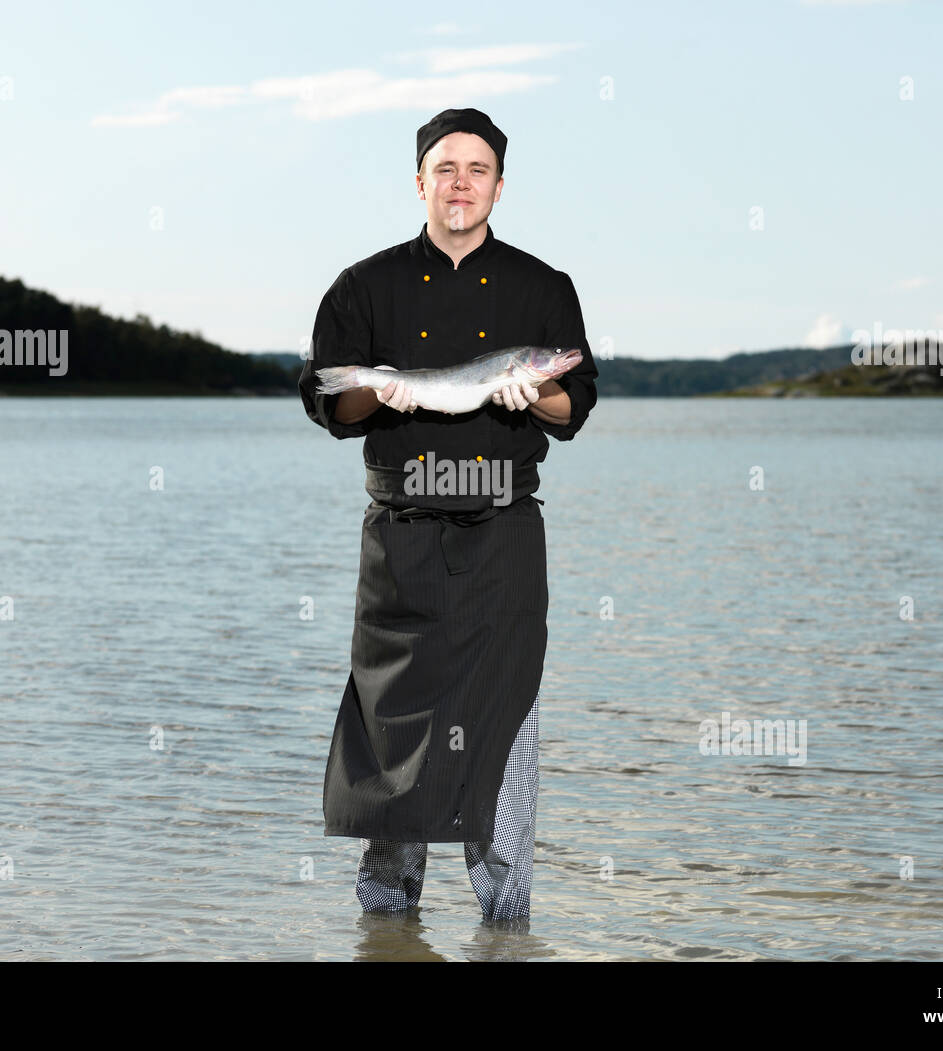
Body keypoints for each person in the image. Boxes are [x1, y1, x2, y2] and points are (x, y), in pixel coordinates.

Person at [299, 107, 598, 923]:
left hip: (503, 542)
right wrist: (378, 386)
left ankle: (506, 929)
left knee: (502, 731)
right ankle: (387, 925)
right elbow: (329, 400)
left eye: (477, 169)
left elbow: (576, 405)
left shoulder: (545, 288)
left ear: (500, 184)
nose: (460, 183)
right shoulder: (363, 286)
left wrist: (539, 392)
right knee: (396, 740)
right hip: (401, 546)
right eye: (445, 167)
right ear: (419, 181)